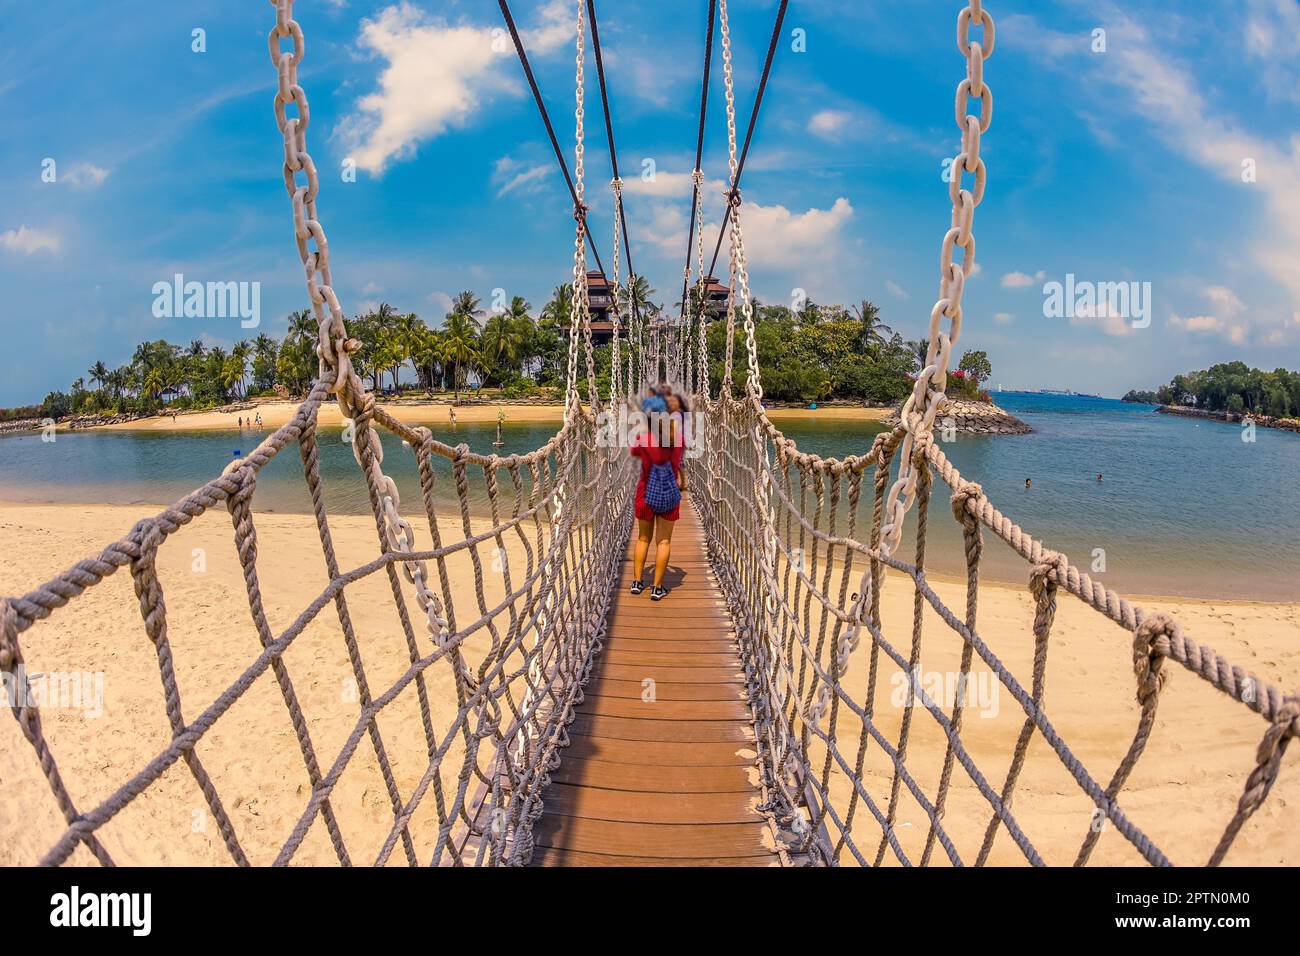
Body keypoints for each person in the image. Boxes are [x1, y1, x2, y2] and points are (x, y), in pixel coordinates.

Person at [630, 404, 686, 601]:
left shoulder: (643, 439)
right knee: (663, 541)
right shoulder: (679, 440)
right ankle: (657, 587)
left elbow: (634, 452)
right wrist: (684, 483)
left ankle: (637, 582)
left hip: (645, 493)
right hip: (669, 495)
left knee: (643, 538)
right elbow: (680, 463)